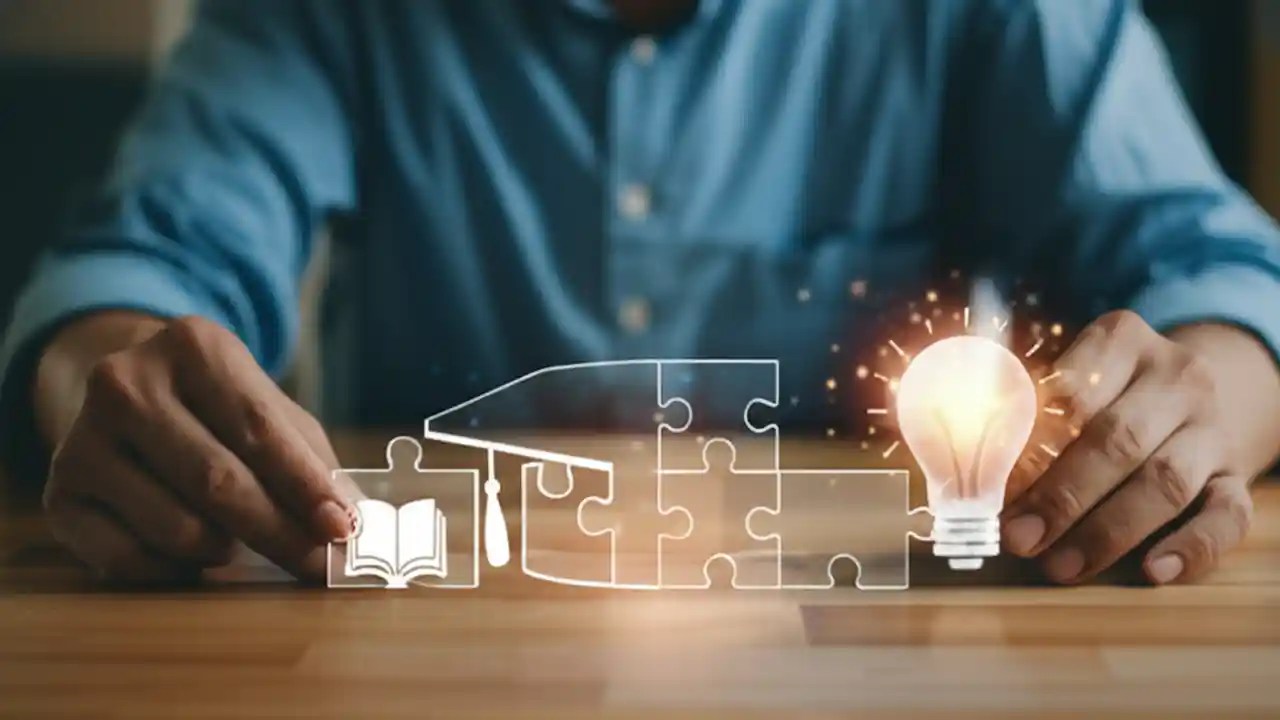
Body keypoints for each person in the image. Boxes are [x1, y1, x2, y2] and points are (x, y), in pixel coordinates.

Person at [3, 0, 1278, 586]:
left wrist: (1206, 397)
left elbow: (1226, 280)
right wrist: (105, 373)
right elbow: (137, 277)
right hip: (429, 661)